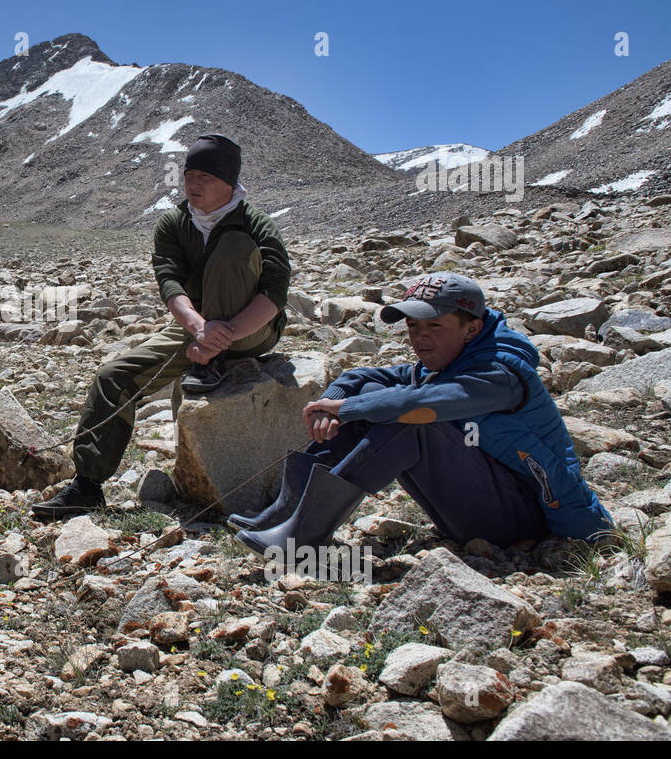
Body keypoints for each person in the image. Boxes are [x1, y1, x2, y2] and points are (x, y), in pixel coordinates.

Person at [226, 273, 613, 554]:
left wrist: (347, 410)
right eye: (413, 326)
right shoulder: (451, 359)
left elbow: (423, 406)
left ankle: (303, 537)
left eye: (434, 325)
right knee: (379, 395)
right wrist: (337, 397)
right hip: (485, 507)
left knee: (409, 420)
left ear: (472, 328)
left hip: (532, 519)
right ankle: (287, 513)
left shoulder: (501, 373)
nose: (420, 337)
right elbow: (367, 376)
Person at [33, 134, 291, 519]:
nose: (193, 183)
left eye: (205, 175)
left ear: (230, 183)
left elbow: (274, 292)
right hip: (195, 327)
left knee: (234, 247)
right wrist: (199, 329)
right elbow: (168, 281)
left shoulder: (256, 224)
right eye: (189, 174)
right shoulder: (174, 222)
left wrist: (224, 336)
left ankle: (210, 362)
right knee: (113, 377)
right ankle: (87, 486)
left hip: (252, 327)